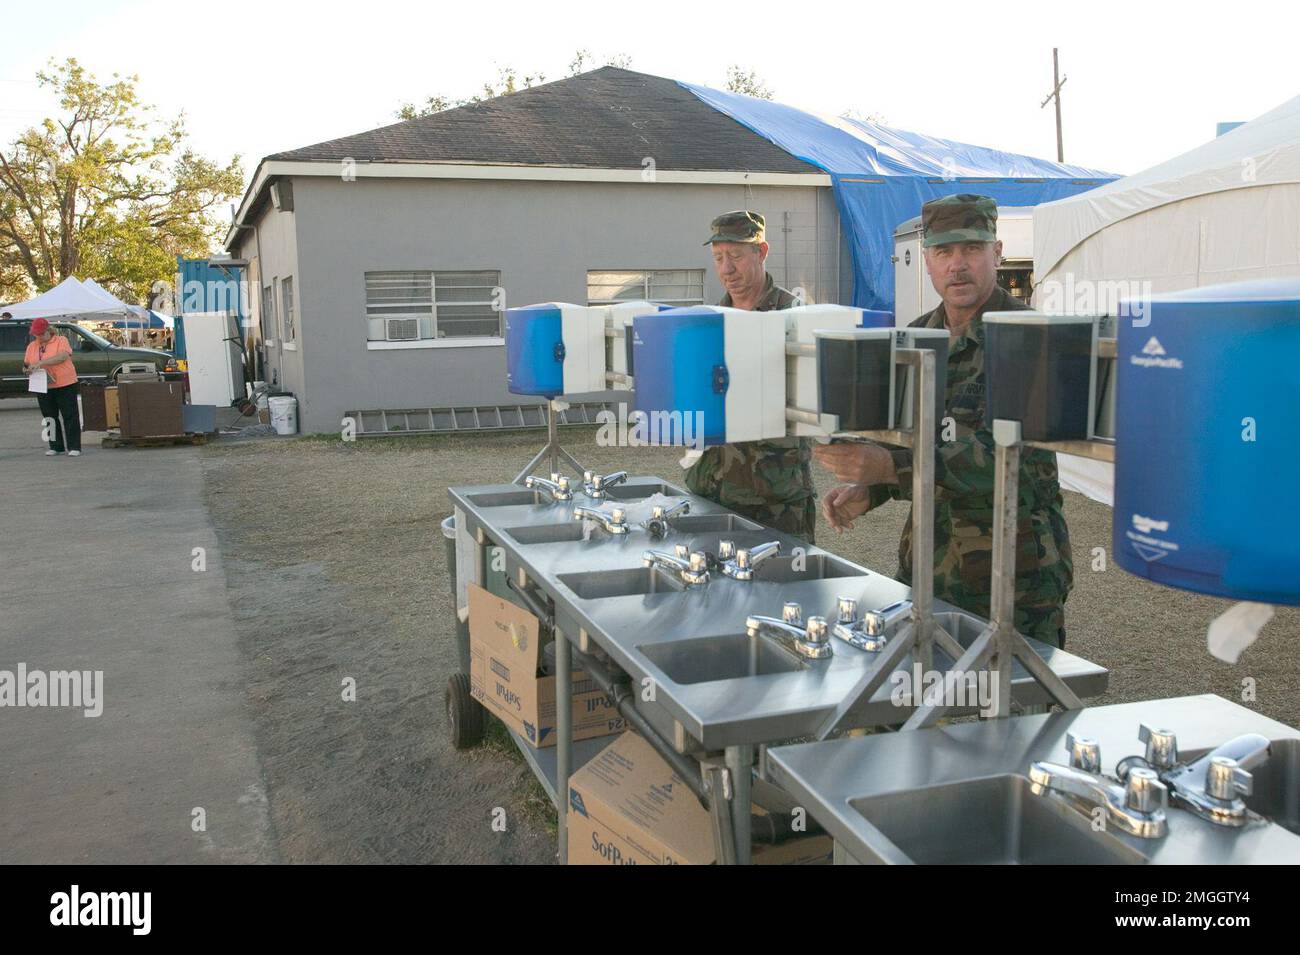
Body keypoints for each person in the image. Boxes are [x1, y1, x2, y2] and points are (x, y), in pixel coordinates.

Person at [813, 195, 1073, 648]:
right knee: (920, 700)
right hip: (929, 568)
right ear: (927, 262)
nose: (958, 265)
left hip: (1014, 581)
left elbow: (1017, 463)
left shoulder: (1032, 337)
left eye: (971, 249)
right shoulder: (917, 337)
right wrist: (870, 488)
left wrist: (889, 469)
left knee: (1012, 712)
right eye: (943, 252)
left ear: (996, 252)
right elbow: (911, 442)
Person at [685, 210, 817, 542]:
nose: (726, 269)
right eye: (718, 258)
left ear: (762, 252)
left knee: (783, 588)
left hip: (773, 499)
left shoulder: (796, 317)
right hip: (709, 489)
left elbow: (817, 402)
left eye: (736, 256)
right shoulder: (710, 321)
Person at [23, 317, 82, 457]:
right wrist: (27, 370)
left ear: (48, 331)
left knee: (70, 415)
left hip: (65, 384)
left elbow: (62, 357)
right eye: (36, 334)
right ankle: (56, 446)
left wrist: (41, 363)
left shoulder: (61, 340)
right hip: (43, 386)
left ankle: (74, 447)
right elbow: (25, 364)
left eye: (41, 334)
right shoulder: (32, 346)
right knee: (49, 416)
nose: (38, 337)